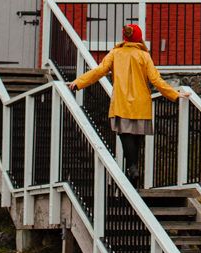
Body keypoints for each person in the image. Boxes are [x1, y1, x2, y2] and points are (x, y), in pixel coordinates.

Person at [71, 21, 181, 187]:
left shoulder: (115, 53)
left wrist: (78, 83)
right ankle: (133, 174)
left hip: (121, 103)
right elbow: (156, 80)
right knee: (136, 141)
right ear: (139, 38)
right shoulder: (144, 56)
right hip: (141, 104)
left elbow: (99, 71)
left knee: (125, 137)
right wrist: (175, 95)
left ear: (125, 37)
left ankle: (132, 168)